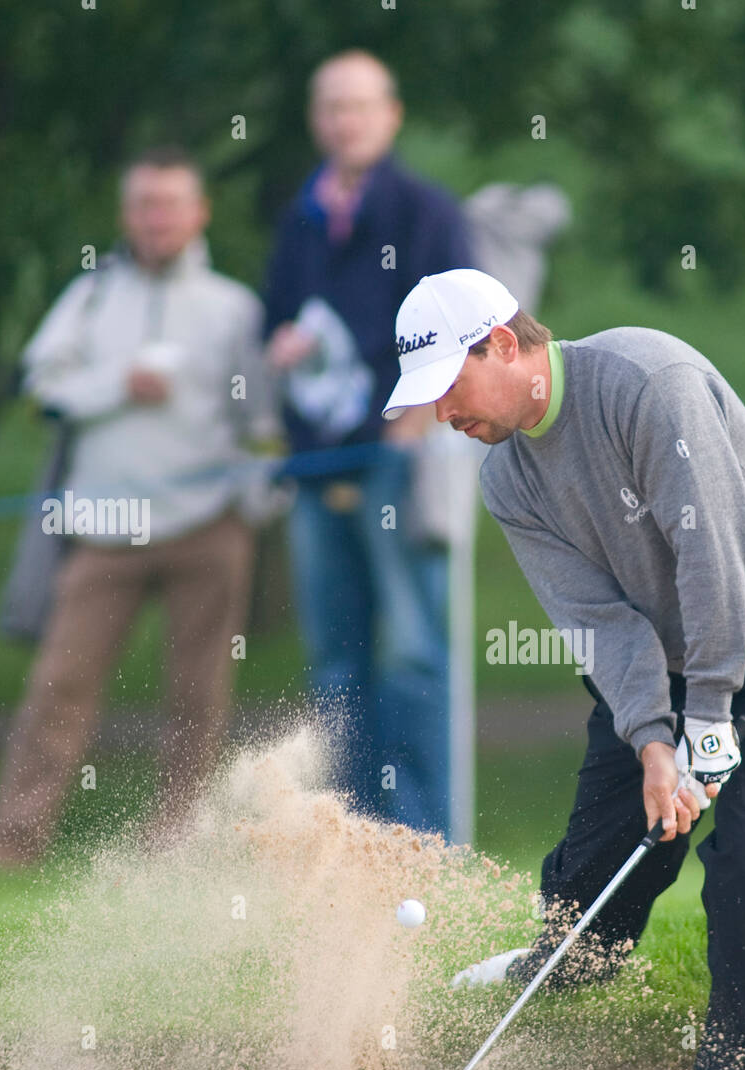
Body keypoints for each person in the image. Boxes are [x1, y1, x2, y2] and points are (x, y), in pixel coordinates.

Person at [381, 268, 745, 1070]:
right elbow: (601, 622)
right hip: (674, 654)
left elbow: (713, 553)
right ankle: (569, 956)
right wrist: (654, 740)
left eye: (448, 386)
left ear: (505, 345)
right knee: (609, 852)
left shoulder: (649, 381)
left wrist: (712, 720)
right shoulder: (509, 478)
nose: (441, 413)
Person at [0, 148, 280, 867]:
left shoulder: (233, 308)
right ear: (127, 214)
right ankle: (12, 846)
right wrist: (118, 383)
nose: (158, 219)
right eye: (145, 204)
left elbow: (264, 425)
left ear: (198, 213)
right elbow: (39, 393)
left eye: (172, 204)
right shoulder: (88, 297)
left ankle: (175, 848)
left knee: (198, 700)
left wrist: (254, 504)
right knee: (59, 687)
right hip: (103, 533)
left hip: (209, 527)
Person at [263, 49, 472, 836]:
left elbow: (464, 330)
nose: (345, 121)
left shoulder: (426, 210)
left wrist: (408, 428)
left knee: (413, 653)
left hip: (397, 462)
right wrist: (279, 347)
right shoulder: (300, 217)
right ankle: (351, 836)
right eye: (331, 107)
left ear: (392, 114)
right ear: (317, 120)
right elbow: (273, 318)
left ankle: (425, 838)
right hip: (316, 466)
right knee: (338, 663)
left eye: (359, 105)